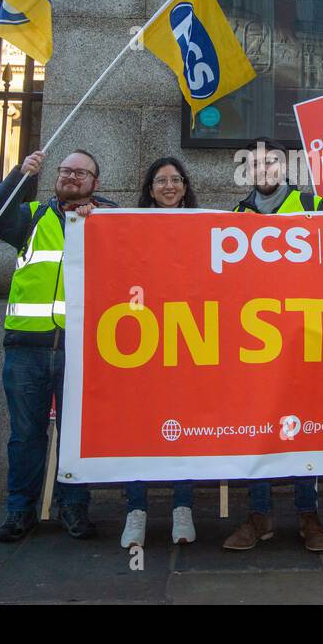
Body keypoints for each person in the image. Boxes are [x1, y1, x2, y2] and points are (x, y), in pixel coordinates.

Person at [0, 148, 118, 545]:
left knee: (77, 435)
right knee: (25, 434)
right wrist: (21, 175)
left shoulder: (104, 220)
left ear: (95, 183)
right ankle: (19, 511)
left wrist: (104, 210)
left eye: (82, 172)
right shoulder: (32, 216)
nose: (72, 177)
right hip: (27, 346)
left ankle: (73, 508)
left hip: (82, 349)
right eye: (65, 171)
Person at [223, 138, 323, 553]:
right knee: (258, 428)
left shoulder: (314, 205)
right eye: (254, 163)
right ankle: (259, 515)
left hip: (304, 337)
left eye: (271, 161)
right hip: (254, 343)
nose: (263, 168)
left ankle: (309, 515)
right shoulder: (235, 214)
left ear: (284, 167)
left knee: (303, 426)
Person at [120, 157, 198, 548]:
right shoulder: (126, 225)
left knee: (181, 428)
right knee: (138, 427)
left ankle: (182, 508)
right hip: (141, 342)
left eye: (176, 180)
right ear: (150, 189)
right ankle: (137, 511)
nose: (169, 186)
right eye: (161, 180)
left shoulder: (206, 226)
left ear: (185, 187)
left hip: (188, 343)